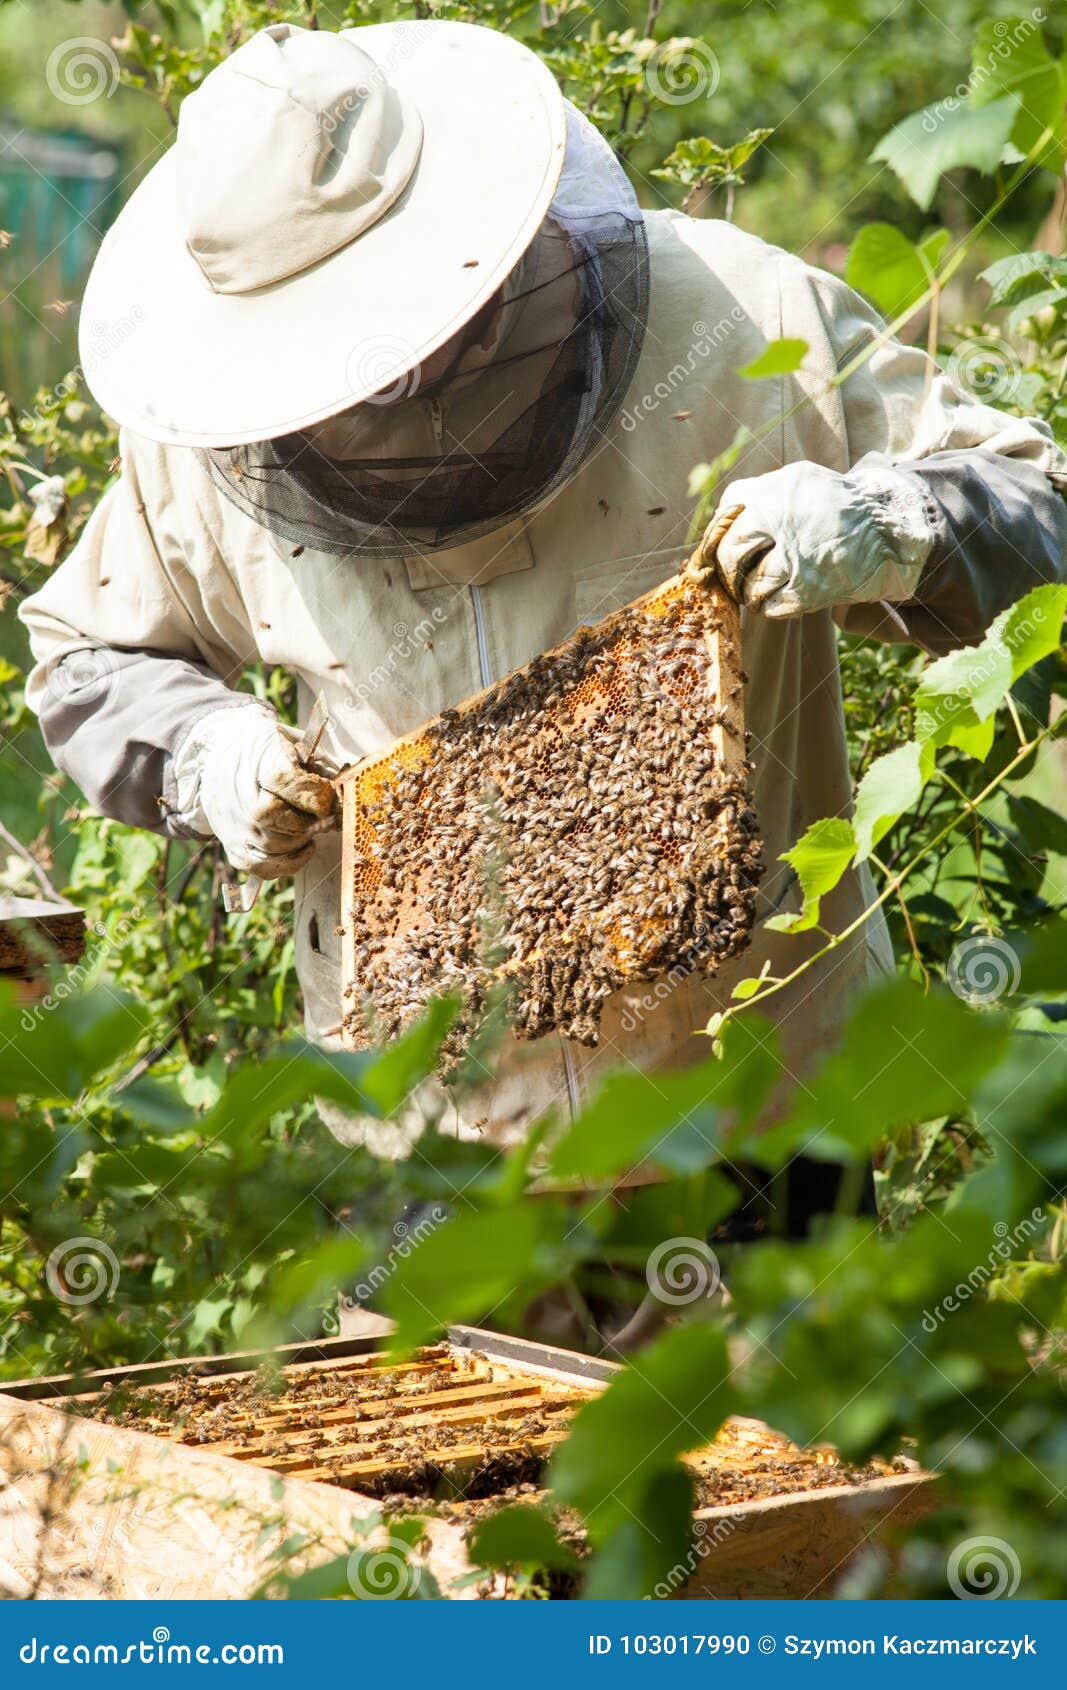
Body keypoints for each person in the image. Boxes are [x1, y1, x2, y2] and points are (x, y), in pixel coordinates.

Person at [20, 22, 1067, 1312]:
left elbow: (1043, 516)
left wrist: (899, 527)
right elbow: (84, 659)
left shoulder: (744, 317)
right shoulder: (206, 438)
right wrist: (198, 754)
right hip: (433, 1156)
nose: (380, 386)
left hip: (757, 1109)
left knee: (795, 1501)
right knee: (435, 1507)